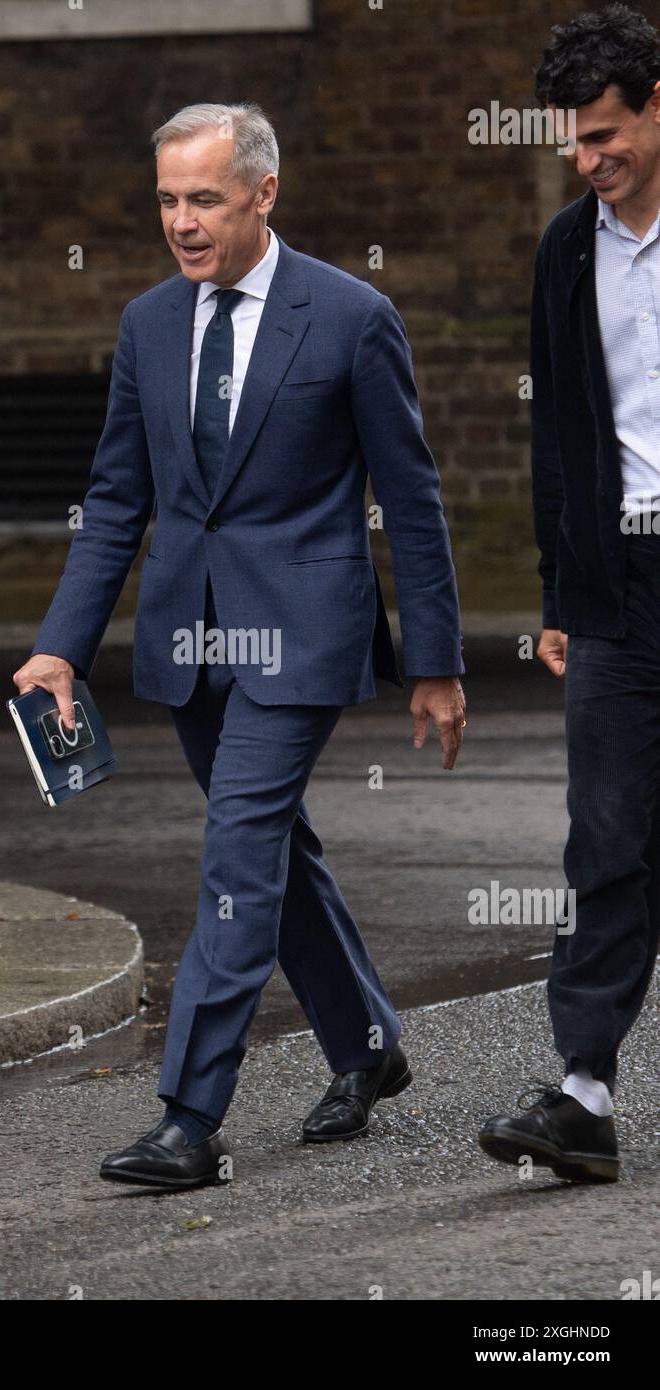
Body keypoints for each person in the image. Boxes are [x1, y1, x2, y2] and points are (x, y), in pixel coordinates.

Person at [14, 102, 465, 1190]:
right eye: (167, 198)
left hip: (301, 633)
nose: (181, 220)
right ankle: (366, 1046)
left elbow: (409, 498)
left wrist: (438, 662)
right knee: (267, 850)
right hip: (188, 638)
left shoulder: (352, 317)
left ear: (263, 193)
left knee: (235, 853)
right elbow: (118, 497)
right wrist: (58, 648)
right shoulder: (147, 325)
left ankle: (189, 1114)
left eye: (203, 198)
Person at [480, 5, 660, 1184]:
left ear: (655, 107)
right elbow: (554, 430)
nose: (587, 160)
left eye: (605, 135)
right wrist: (556, 591)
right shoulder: (564, 250)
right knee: (602, 835)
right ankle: (582, 1092)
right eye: (571, 142)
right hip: (615, 583)